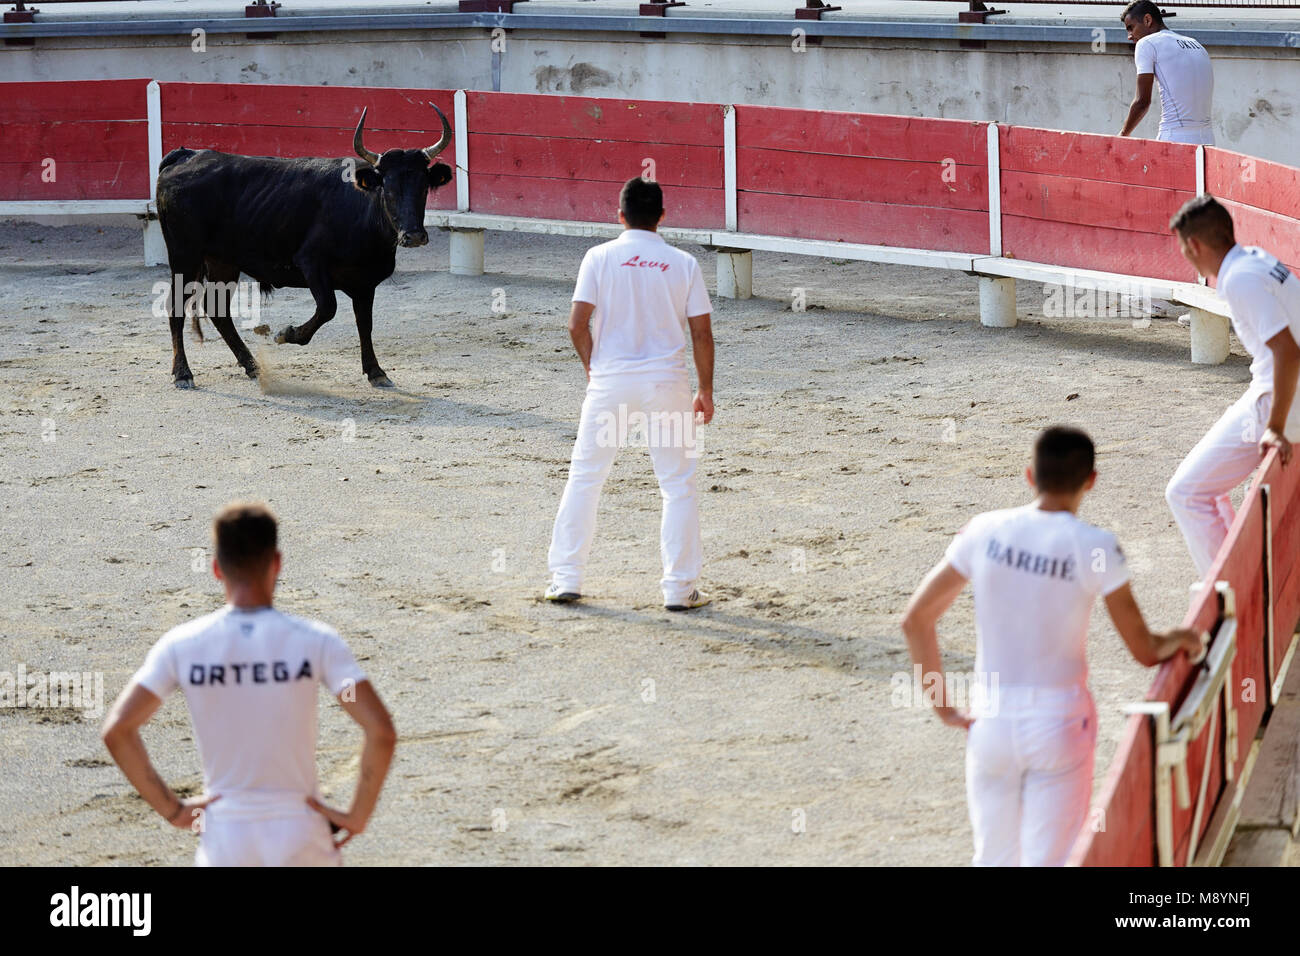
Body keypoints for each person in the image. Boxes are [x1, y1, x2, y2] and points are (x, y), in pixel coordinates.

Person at [901, 427, 1203, 866]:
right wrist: (1179, 637)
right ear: (1091, 480)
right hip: (1060, 725)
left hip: (991, 722)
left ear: (1029, 475)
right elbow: (1144, 649)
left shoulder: (984, 530)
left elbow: (915, 620)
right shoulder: (1096, 546)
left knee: (993, 858)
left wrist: (943, 706)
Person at [101, 501, 396, 866]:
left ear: (215, 568)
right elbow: (380, 730)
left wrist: (173, 810)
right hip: (302, 835)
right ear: (276, 563)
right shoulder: (316, 643)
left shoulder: (183, 647)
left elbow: (118, 731)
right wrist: (358, 815)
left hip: (227, 839)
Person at [544, 176, 715, 611]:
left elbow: (576, 324)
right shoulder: (683, 263)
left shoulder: (598, 257)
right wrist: (706, 389)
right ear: (662, 216)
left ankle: (566, 578)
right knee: (677, 486)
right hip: (667, 384)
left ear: (620, 216)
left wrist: (592, 366)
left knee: (585, 479)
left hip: (610, 384)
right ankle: (678, 589)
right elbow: (701, 334)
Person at [1166, 195, 1300, 575]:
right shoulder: (1255, 259)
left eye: (1182, 248)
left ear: (1193, 245)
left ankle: (1232, 598)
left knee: (1186, 493)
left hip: (1279, 401)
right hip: (1279, 392)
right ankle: (1240, 581)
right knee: (1203, 490)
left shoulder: (1240, 278)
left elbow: (1288, 353)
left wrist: (1275, 427)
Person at [1119, 0, 1214, 145]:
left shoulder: (1147, 44)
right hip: (1207, 139)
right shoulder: (1196, 44)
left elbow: (1142, 102)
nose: (1130, 36)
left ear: (1147, 20)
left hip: (1174, 138)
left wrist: (1122, 135)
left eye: (1131, 28)